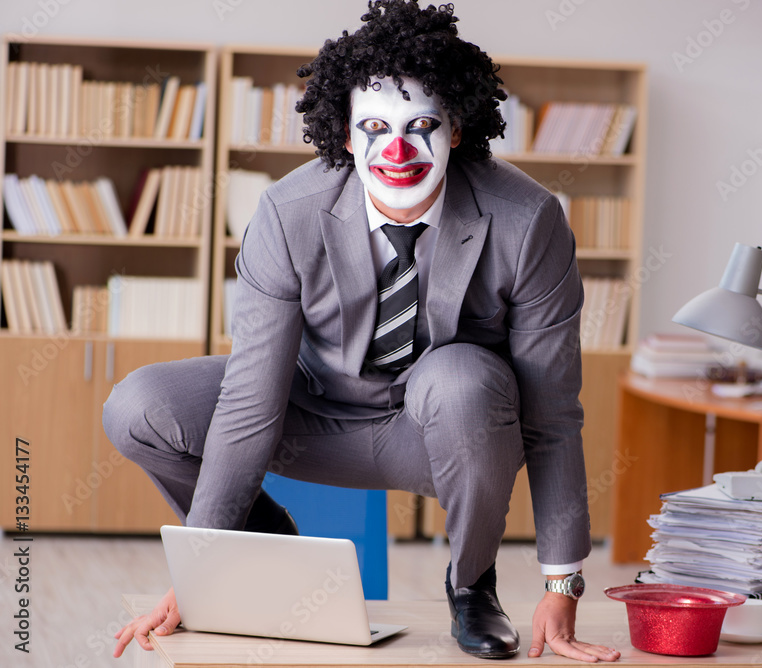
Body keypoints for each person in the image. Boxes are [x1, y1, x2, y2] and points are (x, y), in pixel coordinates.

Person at [105, 0, 619, 662]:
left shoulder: (528, 221)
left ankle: (471, 587)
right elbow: (250, 399)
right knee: (138, 404)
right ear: (345, 136)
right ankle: (263, 551)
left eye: (422, 125)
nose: (397, 150)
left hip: (448, 433)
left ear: (457, 129)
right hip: (314, 415)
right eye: (374, 127)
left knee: (460, 376)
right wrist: (205, 565)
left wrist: (562, 585)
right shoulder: (289, 215)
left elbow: (551, 415)